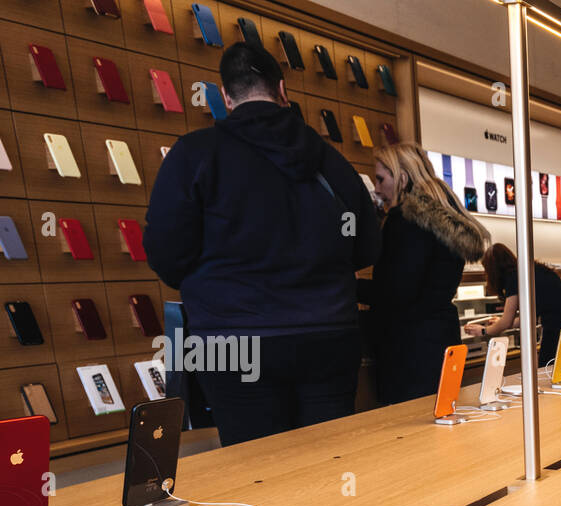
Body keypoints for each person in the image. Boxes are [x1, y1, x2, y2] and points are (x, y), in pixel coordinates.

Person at [143, 42, 380, 447]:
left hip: (230, 339)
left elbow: (166, 252)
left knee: (254, 463)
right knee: (332, 456)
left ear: (226, 97)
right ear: (282, 91)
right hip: (326, 333)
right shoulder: (331, 161)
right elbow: (364, 246)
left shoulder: (194, 155)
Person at [358, 144, 489, 405]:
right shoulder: (443, 220)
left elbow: (396, 292)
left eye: (382, 179)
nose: (377, 187)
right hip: (442, 340)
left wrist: (351, 286)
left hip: (408, 349)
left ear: (402, 178)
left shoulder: (406, 221)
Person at [466, 244, 561, 368]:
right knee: (556, 371)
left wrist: (483, 331)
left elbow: (506, 322)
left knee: (547, 372)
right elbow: (530, 317)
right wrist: (501, 322)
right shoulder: (532, 270)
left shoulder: (514, 277)